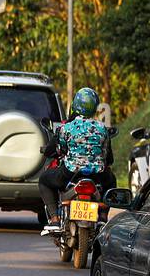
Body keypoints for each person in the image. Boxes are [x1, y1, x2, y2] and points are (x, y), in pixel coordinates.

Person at [40, 87, 114, 234]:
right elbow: (108, 157)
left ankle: (54, 220)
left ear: (75, 105)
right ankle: (103, 217)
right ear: (95, 107)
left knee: (44, 180)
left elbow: (60, 149)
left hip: (70, 172)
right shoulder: (102, 128)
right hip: (97, 175)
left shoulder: (66, 128)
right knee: (111, 181)